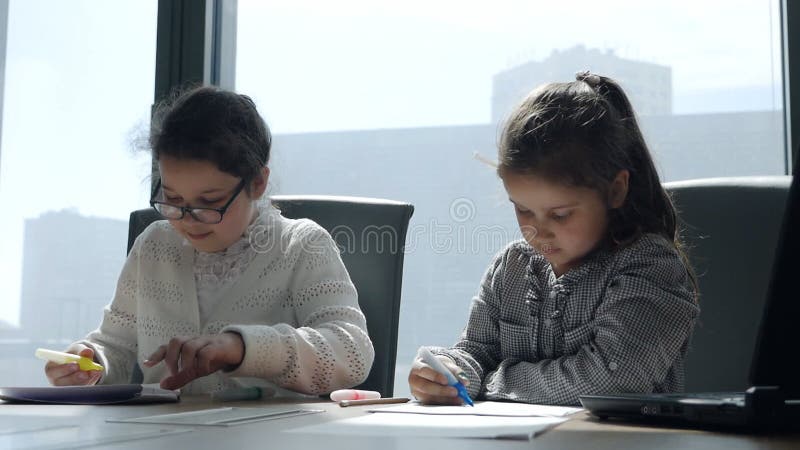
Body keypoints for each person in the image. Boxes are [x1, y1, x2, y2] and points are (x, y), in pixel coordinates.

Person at [44, 85, 374, 395]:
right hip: (163, 433)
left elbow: (352, 351)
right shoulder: (154, 247)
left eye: (209, 203)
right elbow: (114, 343)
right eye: (172, 200)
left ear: (257, 183)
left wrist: (242, 348)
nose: (187, 219)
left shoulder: (302, 246)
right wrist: (91, 362)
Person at [408, 72, 700, 406]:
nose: (537, 231)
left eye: (560, 215)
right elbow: (476, 351)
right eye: (523, 210)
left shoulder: (648, 265)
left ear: (615, 190)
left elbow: (613, 380)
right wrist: (450, 372)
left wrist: (492, 380)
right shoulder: (511, 266)